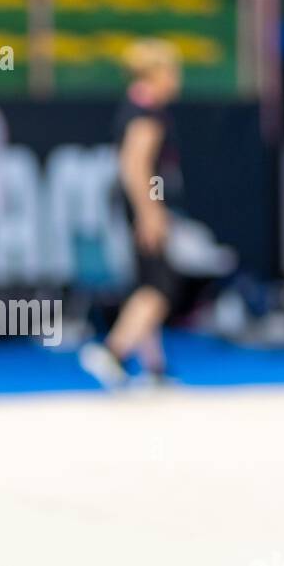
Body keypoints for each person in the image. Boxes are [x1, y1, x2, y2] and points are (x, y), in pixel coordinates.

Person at [79, 38, 204, 388]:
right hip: (144, 207)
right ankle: (113, 351)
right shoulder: (146, 114)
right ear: (156, 74)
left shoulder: (139, 108)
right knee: (159, 287)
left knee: (149, 281)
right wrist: (150, 212)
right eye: (172, 71)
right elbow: (135, 165)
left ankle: (154, 368)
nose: (176, 79)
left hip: (139, 206)